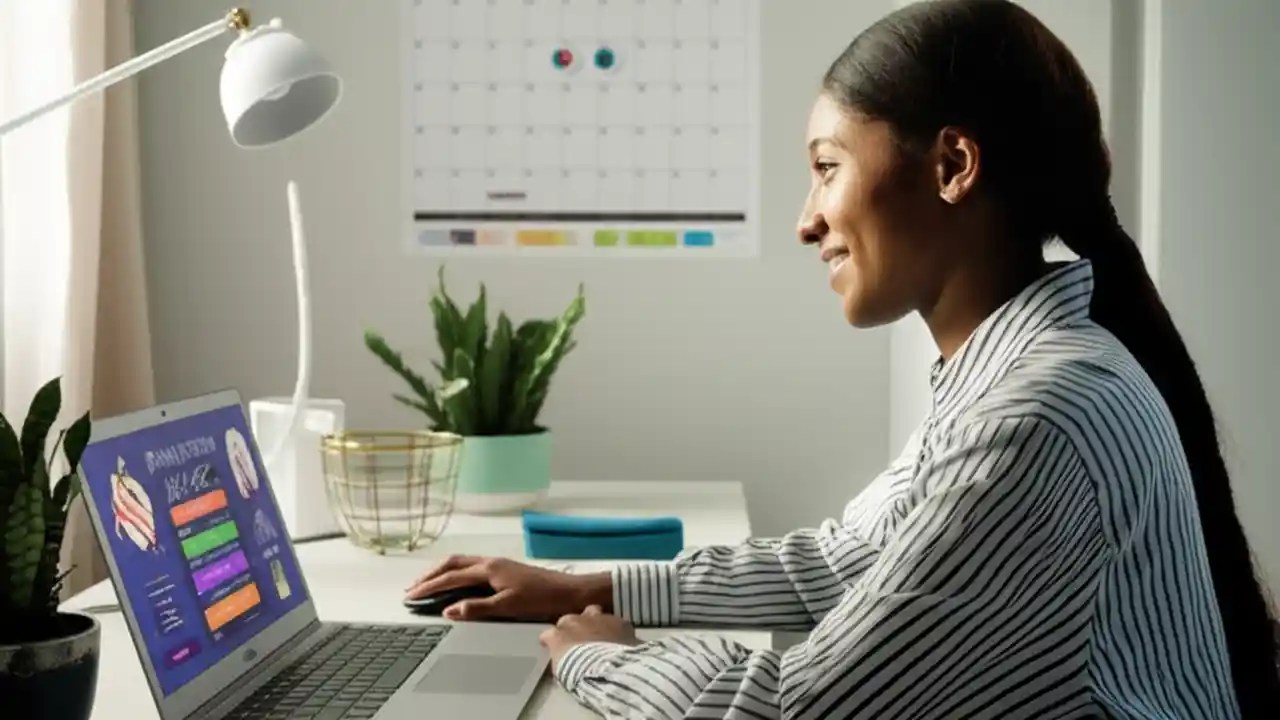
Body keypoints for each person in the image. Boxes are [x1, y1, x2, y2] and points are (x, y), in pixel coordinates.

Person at [405, 0, 1280, 716]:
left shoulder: (1033, 418)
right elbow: (840, 561)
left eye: (827, 167)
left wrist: (606, 659)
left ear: (953, 165)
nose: (806, 218)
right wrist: (579, 585)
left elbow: (797, 711)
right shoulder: (1023, 376)